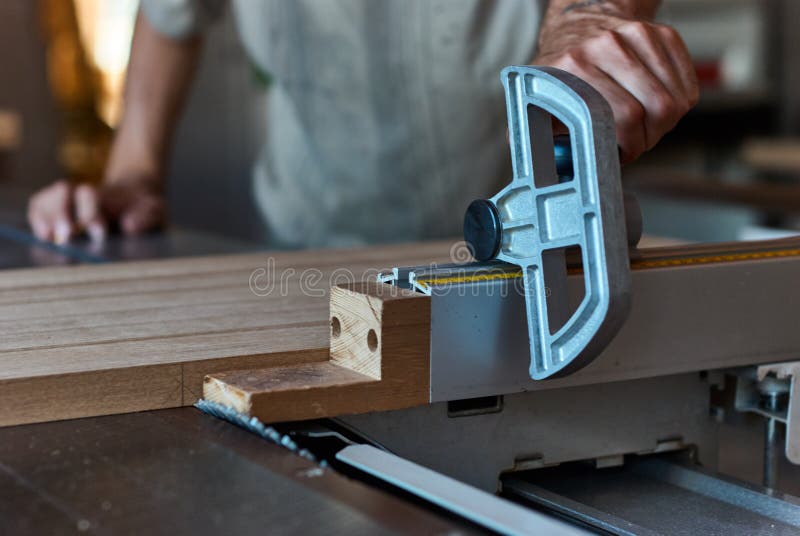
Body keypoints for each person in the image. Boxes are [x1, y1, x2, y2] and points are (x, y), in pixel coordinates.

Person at [28, 0, 698, 248]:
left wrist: (587, 18)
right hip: (305, 257)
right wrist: (132, 172)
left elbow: (594, 9)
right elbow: (170, 16)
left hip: (514, 258)